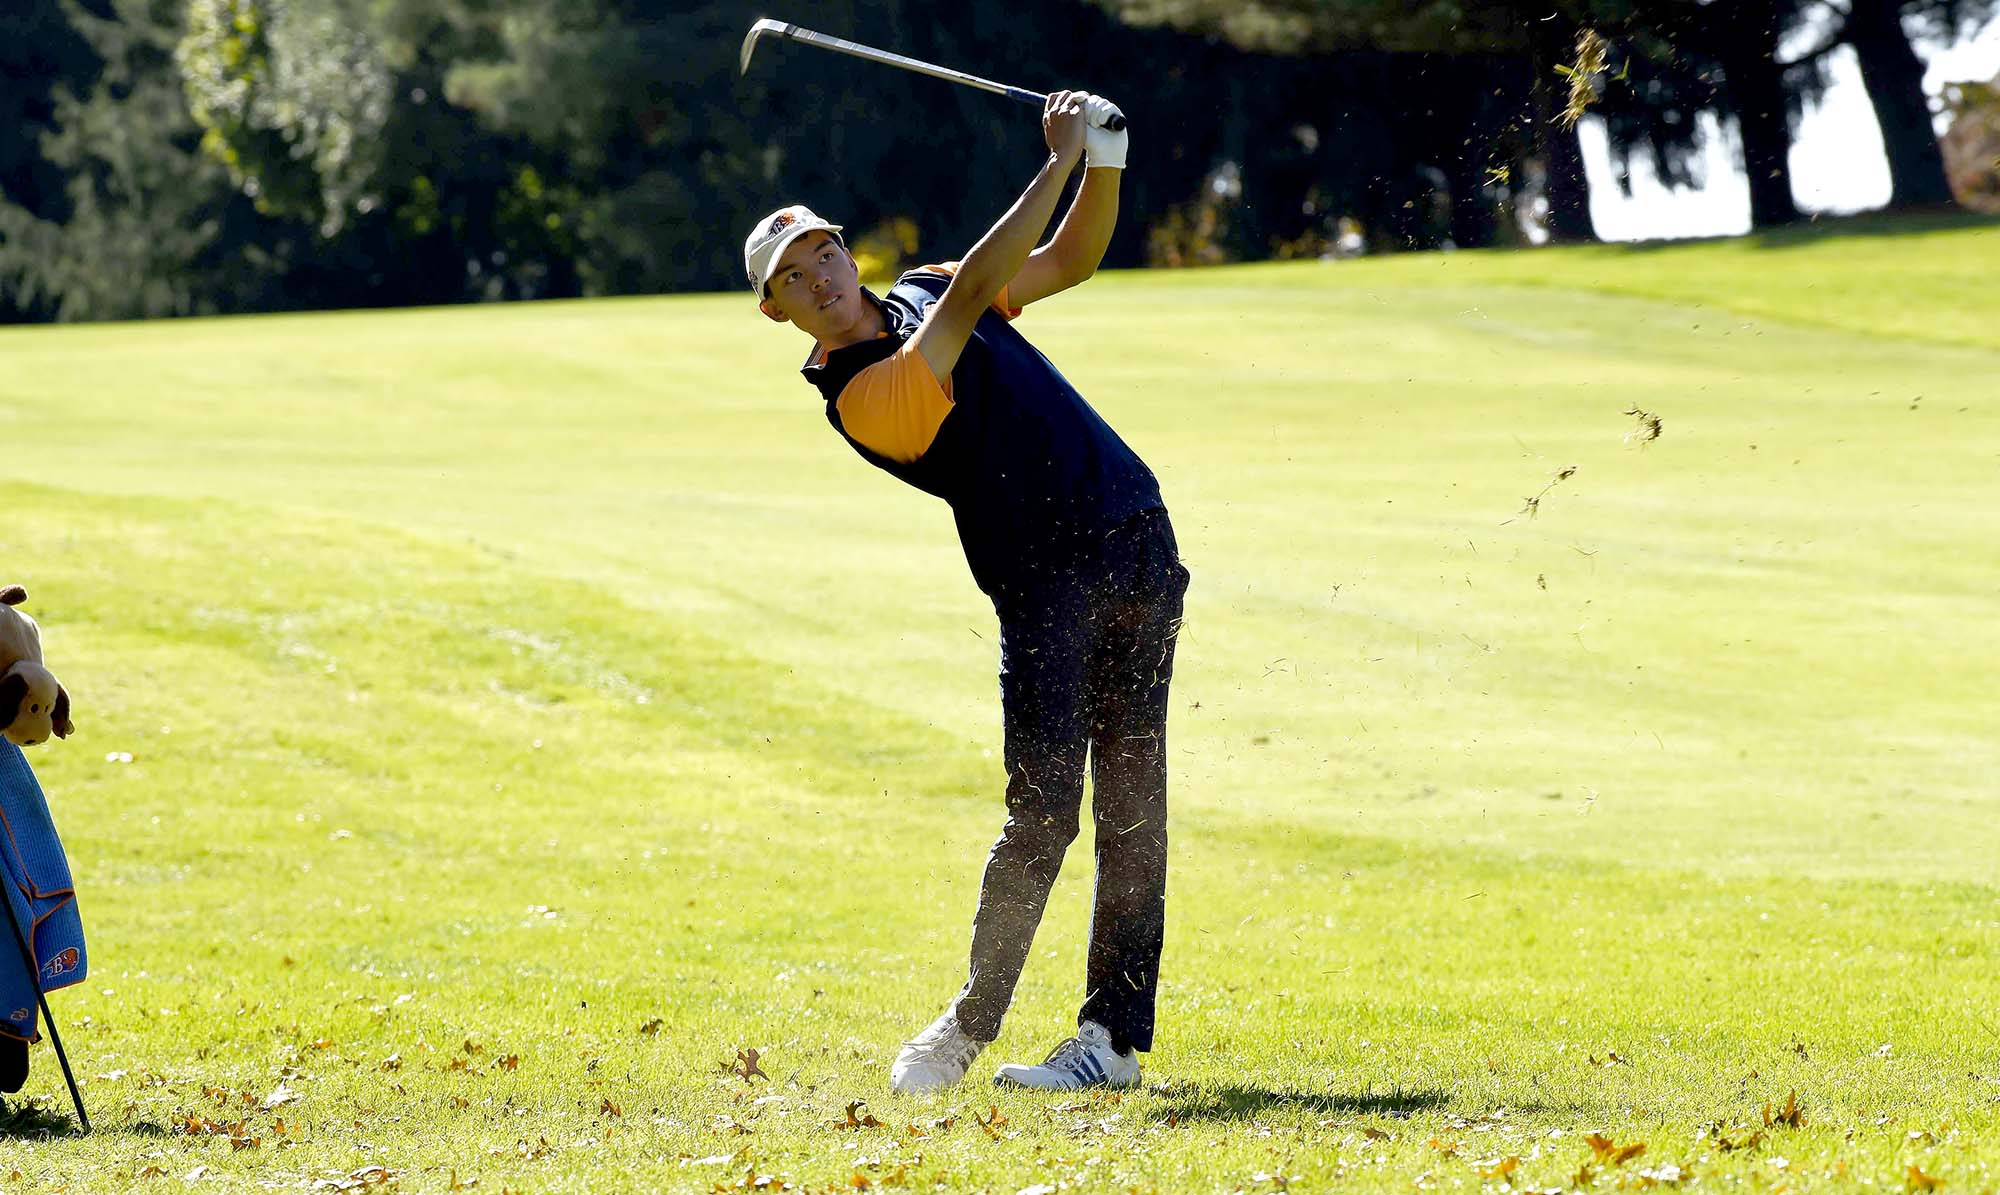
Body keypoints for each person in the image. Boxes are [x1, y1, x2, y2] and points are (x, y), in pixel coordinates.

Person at [744, 91, 1188, 1093]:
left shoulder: (920, 283)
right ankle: (965, 1028)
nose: (814, 274)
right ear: (772, 310)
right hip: (1042, 592)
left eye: (818, 250)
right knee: (1040, 820)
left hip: (1134, 539)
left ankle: (1110, 1041)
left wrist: (1103, 160)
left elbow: (1064, 261)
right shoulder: (865, 400)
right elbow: (977, 286)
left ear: (841, 248)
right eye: (788, 276)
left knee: (1131, 809)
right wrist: (1058, 158)